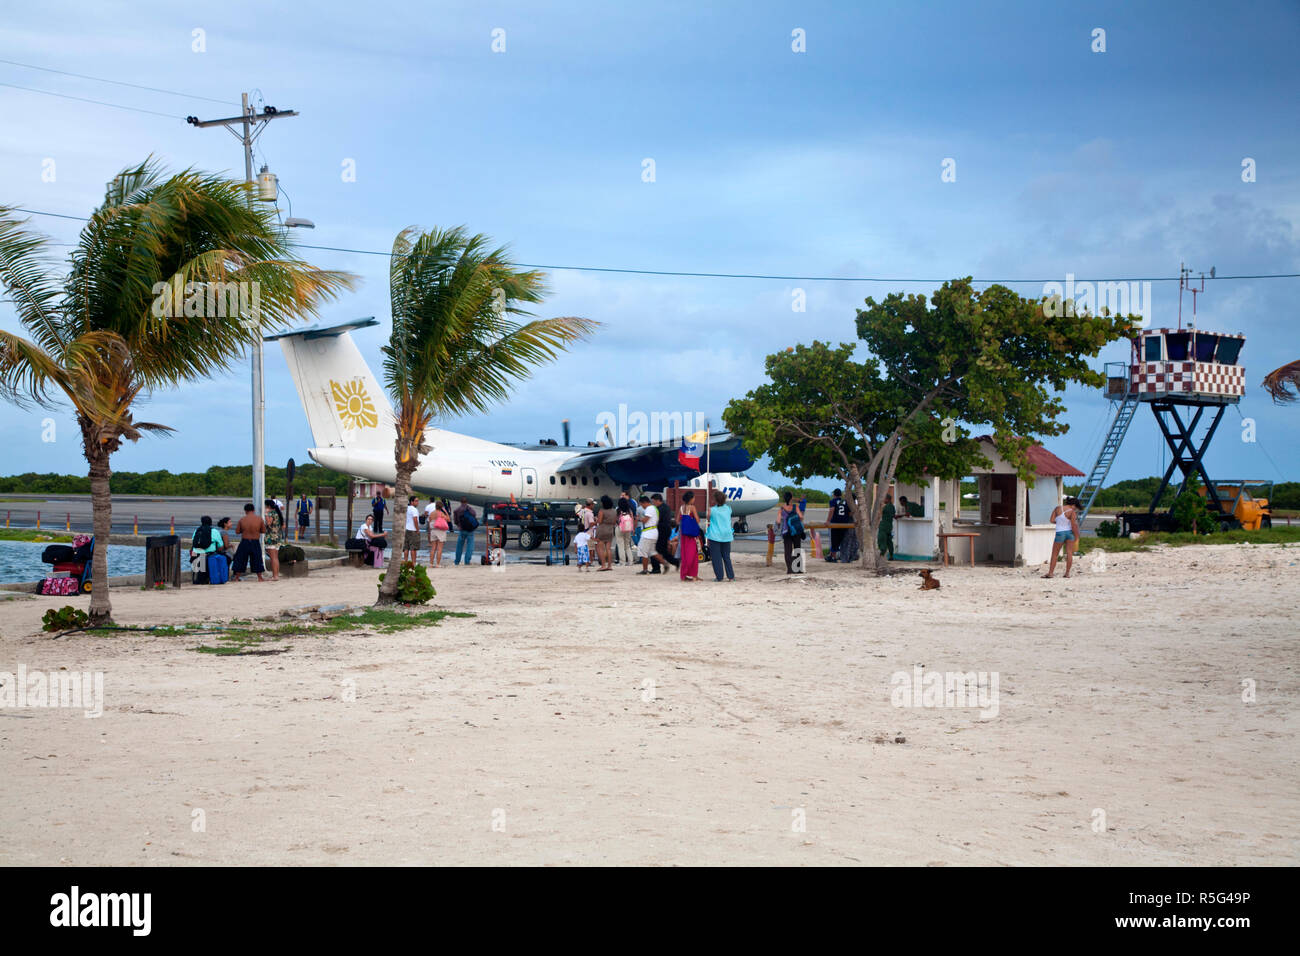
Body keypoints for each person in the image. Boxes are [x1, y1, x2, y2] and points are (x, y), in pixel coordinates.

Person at [1044, 497, 1081, 578]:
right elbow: (1073, 525)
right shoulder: (1072, 512)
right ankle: (1067, 573)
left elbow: (1052, 520)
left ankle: (1050, 573)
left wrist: (1060, 522)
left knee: (1055, 554)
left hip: (1060, 533)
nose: (1076, 509)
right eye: (1076, 507)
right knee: (1069, 553)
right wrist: (1077, 536)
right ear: (1074, 505)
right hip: (1069, 533)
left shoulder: (1057, 509)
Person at [231, 503, 268, 582]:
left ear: (245, 511)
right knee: (257, 559)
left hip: (245, 541)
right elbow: (264, 530)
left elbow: (237, 531)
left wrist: (244, 530)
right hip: (255, 541)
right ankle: (260, 577)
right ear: (253, 510)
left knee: (240, 559)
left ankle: (237, 577)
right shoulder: (259, 519)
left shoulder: (242, 519)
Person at [705, 489, 736, 582]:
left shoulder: (712, 510)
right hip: (727, 535)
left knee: (716, 557)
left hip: (715, 535)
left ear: (715, 500)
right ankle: (731, 577)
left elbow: (708, 518)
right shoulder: (728, 508)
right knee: (726, 556)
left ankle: (719, 577)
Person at [650, 493, 679, 573]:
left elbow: (661, 521)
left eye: (653, 501)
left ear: (658, 500)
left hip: (662, 531)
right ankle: (674, 562)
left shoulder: (662, 509)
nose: (653, 503)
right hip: (662, 531)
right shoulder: (662, 508)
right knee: (662, 550)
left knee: (655, 549)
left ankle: (656, 568)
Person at [678, 490, 702, 581]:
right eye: (694, 498)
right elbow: (698, 520)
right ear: (691, 499)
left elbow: (677, 520)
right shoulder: (692, 507)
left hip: (684, 534)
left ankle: (684, 574)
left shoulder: (681, 507)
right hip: (691, 534)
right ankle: (693, 575)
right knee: (693, 554)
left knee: (685, 554)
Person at [779, 491, 805, 574]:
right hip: (796, 531)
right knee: (797, 549)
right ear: (791, 498)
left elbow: (778, 521)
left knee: (787, 551)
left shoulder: (782, 508)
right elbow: (801, 517)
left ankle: (789, 570)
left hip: (786, 531)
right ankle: (798, 569)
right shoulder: (795, 507)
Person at [637, 495, 662, 575]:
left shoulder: (649, 509)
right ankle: (666, 563)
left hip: (648, 533)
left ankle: (645, 570)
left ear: (643, 503)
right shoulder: (654, 508)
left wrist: (638, 519)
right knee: (652, 552)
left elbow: (645, 520)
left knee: (644, 551)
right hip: (653, 531)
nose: (642, 507)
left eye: (641, 504)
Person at [262, 499, 285, 581]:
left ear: (268, 506)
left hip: (271, 537)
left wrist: (266, 514)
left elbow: (268, 523)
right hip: (278, 536)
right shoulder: (278, 513)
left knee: (273, 558)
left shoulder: (271, 513)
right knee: (276, 557)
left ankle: (275, 576)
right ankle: (276, 575)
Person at [827, 488, 852, 560]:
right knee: (842, 540)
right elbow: (850, 513)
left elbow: (832, 510)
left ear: (834, 494)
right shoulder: (845, 502)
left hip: (835, 523)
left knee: (834, 540)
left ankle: (833, 557)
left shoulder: (833, 501)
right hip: (844, 523)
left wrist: (828, 521)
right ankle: (842, 556)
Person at [453, 497, 477, 566]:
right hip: (470, 530)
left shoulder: (457, 510)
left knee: (459, 546)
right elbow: (474, 514)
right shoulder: (469, 509)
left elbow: (455, 521)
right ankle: (467, 561)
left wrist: (458, 525)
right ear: (467, 502)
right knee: (470, 546)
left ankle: (457, 561)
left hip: (462, 529)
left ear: (460, 502)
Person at [427, 498, 451, 568]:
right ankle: (437, 564)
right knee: (439, 548)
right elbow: (448, 519)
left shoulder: (431, 513)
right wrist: (445, 511)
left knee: (433, 548)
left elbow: (429, 522)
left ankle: (431, 564)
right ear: (441, 507)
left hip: (433, 530)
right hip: (440, 531)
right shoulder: (441, 513)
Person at [594, 495, 616, 571]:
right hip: (610, 529)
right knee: (608, 549)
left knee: (601, 549)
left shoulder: (602, 511)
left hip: (602, 529)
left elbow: (599, 521)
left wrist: (596, 519)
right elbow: (614, 521)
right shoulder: (614, 511)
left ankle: (603, 565)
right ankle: (609, 565)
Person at [614, 492, 636, 567]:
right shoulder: (629, 510)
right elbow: (632, 519)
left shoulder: (618, 510)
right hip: (628, 528)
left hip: (619, 528)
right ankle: (630, 561)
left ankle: (622, 562)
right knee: (627, 546)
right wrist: (633, 529)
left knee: (620, 545)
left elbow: (615, 520)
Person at [877, 493, 896, 560]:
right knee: (889, 541)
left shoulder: (886, 507)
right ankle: (891, 555)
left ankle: (882, 554)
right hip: (889, 526)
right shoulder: (892, 507)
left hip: (883, 526)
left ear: (887, 499)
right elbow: (894, 516)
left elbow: (879, 513)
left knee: (882, 540)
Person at [403, 495, 421, 564]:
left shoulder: (406, 508)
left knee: (406, 548)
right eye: (416, 501)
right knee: (413, 548)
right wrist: (417, 529)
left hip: (406, 529)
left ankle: (405, 562)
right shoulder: (414, 509)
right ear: (411, 502)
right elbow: (415, 519)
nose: (417, 502)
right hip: (413, 530)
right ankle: (413, 563)